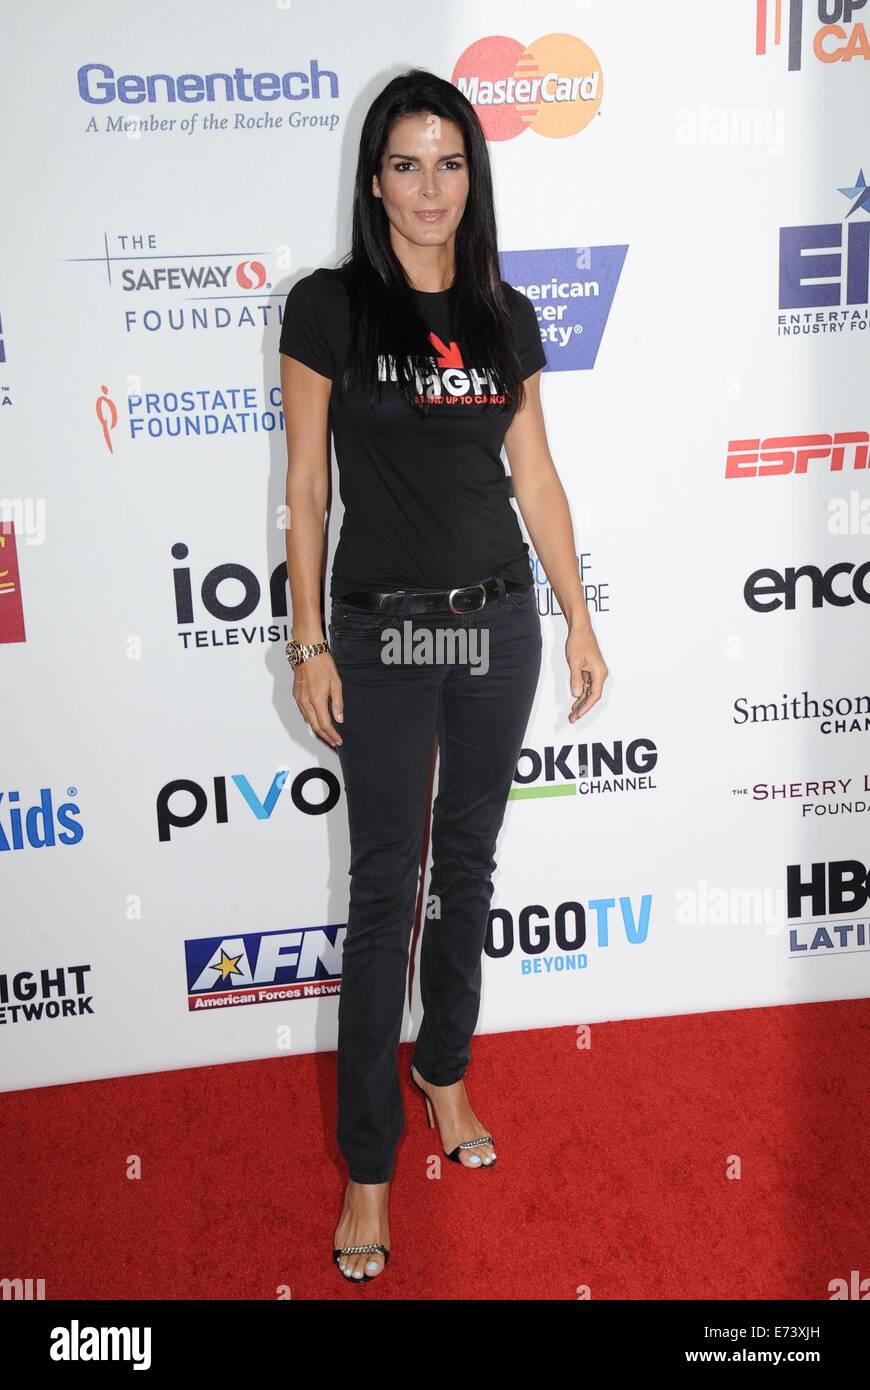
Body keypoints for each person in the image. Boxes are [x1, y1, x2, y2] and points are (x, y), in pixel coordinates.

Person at [279, 68, 608, 1286]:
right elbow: (307, 490)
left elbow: (537, 474)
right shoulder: (328, 310)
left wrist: (578, 618)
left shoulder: (504, 313)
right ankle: (370, 1166)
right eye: (407, 164)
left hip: (495, 626)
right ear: (375, 180)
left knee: (467, 867)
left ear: (477, 176)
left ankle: (446, 1072)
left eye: (451, 162)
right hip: (379, 632)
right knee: (383, 893)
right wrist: (307, 640)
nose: (430, 187)